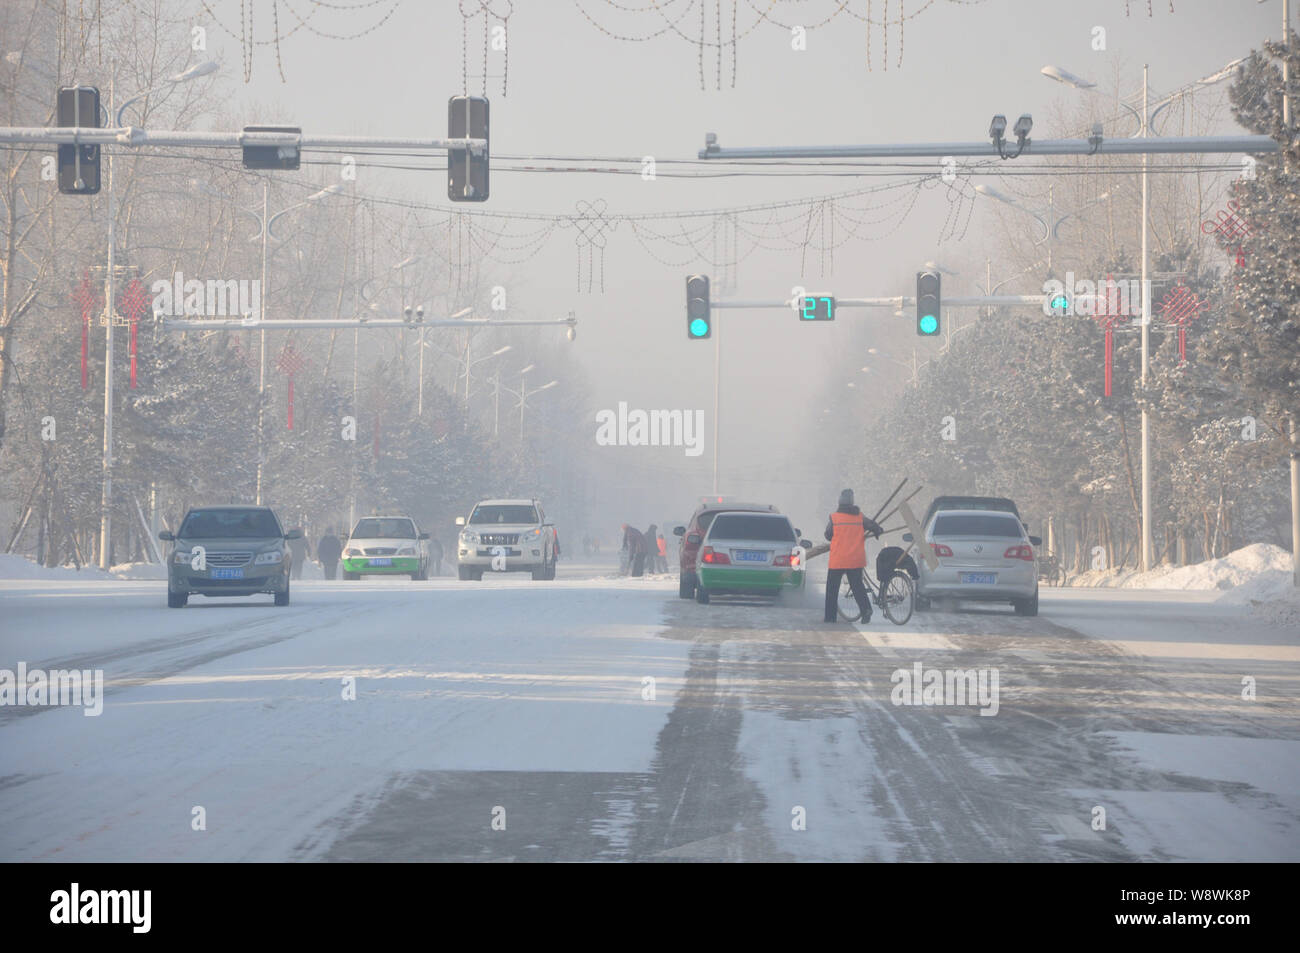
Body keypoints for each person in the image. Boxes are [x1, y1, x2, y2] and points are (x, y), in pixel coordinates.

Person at [824, 488, 883, 623]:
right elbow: (873, 526)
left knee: (832, 590)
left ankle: (830, 617)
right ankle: (866, 610)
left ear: (840, 502)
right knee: (857, 587)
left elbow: (828, 535)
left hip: (838, 560)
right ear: (852, 503)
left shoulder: (834, 517)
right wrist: (878, 530)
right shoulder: (860, 517)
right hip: (855, 559)